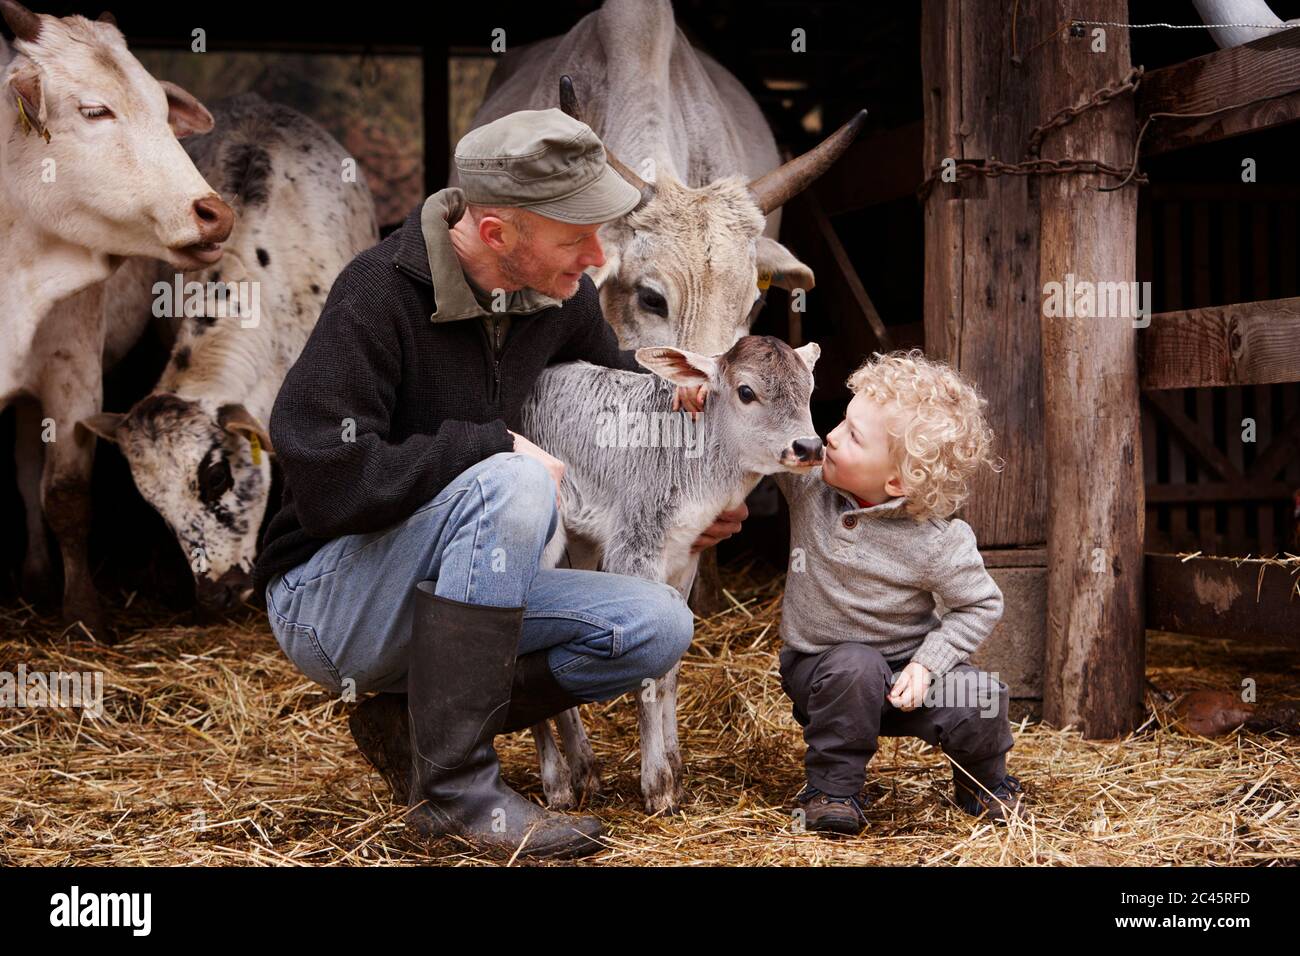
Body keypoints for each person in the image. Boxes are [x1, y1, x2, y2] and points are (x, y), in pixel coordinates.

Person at [251, 108, 746, 858]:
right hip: (333, 601)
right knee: (510, 480)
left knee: (656, 625)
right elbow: (325, 482)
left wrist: (688, 496)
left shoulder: (561, 297)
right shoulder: (376, 296)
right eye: (573, 235)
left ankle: (414, 728)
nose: (596, 255)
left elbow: (616, 409)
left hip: (470, 591)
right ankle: (457, 794)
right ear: (495, 235)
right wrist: (487, 446)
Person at [769, 350, 1023, 835]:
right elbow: (753, 436)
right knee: (854, 666)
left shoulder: (937, 540)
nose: (831, 435)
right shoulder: (809, 486)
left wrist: (927, 665)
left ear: (896, 480)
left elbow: (981, 603)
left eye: (852, 436)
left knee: (981, 694)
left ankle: (985, 785)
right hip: (823, 672)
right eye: (842, 421)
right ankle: (832, 792)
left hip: (909, 672)